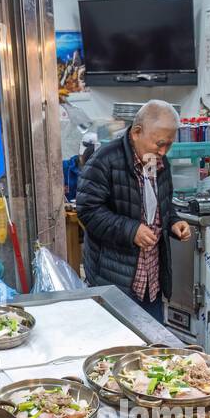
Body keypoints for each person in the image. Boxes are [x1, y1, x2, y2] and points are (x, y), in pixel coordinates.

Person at [76, 100, 191, 321]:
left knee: (150, 350)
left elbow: (162, 206)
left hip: (151, 282)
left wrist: (174, 222)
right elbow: (88, 211)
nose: (164, 151)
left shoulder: (160, 163)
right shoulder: (104, 160)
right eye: (159, 143)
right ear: (137, 132)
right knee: (118, 351)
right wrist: (131, 231)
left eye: (169, 144)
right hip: (115, 282)